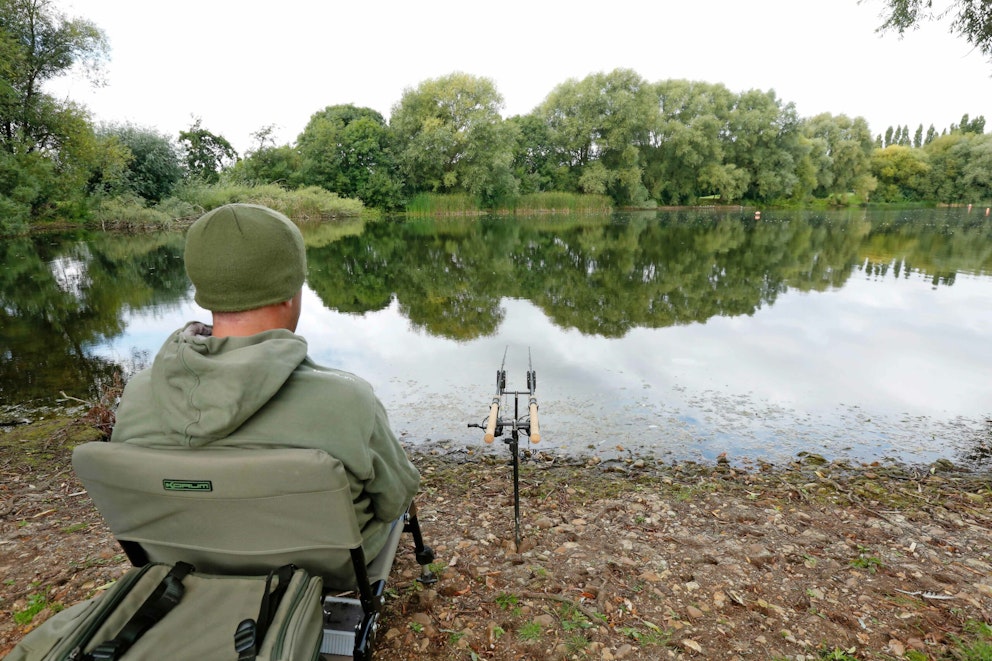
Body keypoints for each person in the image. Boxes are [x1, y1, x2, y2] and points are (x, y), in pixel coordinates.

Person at [110, 203, 420, 561]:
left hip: (184, 559)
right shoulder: (348, 401)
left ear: (203, 290)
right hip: (331, 568)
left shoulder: (137, 396)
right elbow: (395, 499)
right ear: (291, 290)